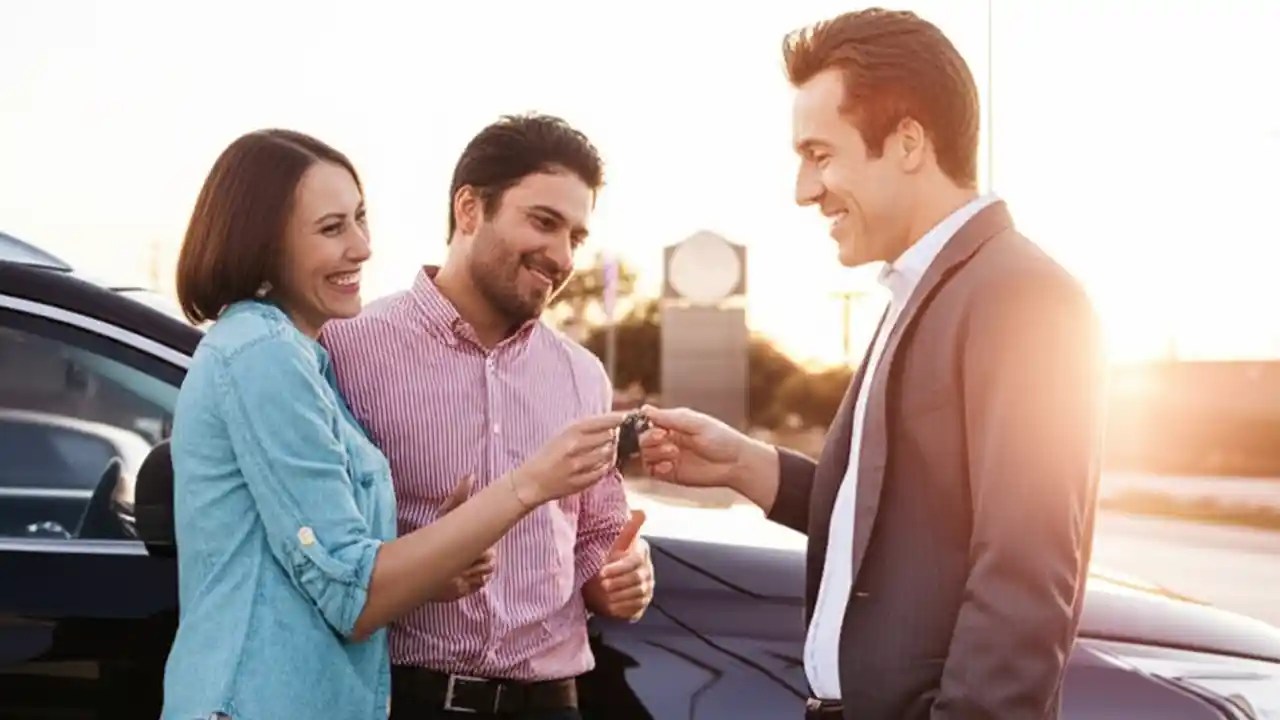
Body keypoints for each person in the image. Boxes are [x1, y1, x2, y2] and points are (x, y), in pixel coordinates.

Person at [638, 9, 1106, 720]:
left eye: (820, 154)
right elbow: (901, 518)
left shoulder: (1021, 295)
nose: (803, 188)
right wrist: (747, 466)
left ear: (909, 142)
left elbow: (1024, 581)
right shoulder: (921, 290)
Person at [164, 128, 626, 720]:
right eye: (332, 228)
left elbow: (340, 554)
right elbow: (351, 589)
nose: (362, 247)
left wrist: (439, 561)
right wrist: (528, 484)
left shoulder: (300, 355)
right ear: (265, 238)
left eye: (360, 220)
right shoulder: (266, 353)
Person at [320, 113, 654, 720]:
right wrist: (429, 553)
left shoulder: (583, 375)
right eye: (544, 222)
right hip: (406, 698)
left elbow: (598, 536)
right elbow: (324, 548)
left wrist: (617, 576)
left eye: (575, 237)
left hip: (554, 702)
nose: (560, 255)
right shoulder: (348, 350)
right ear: (469, 209)